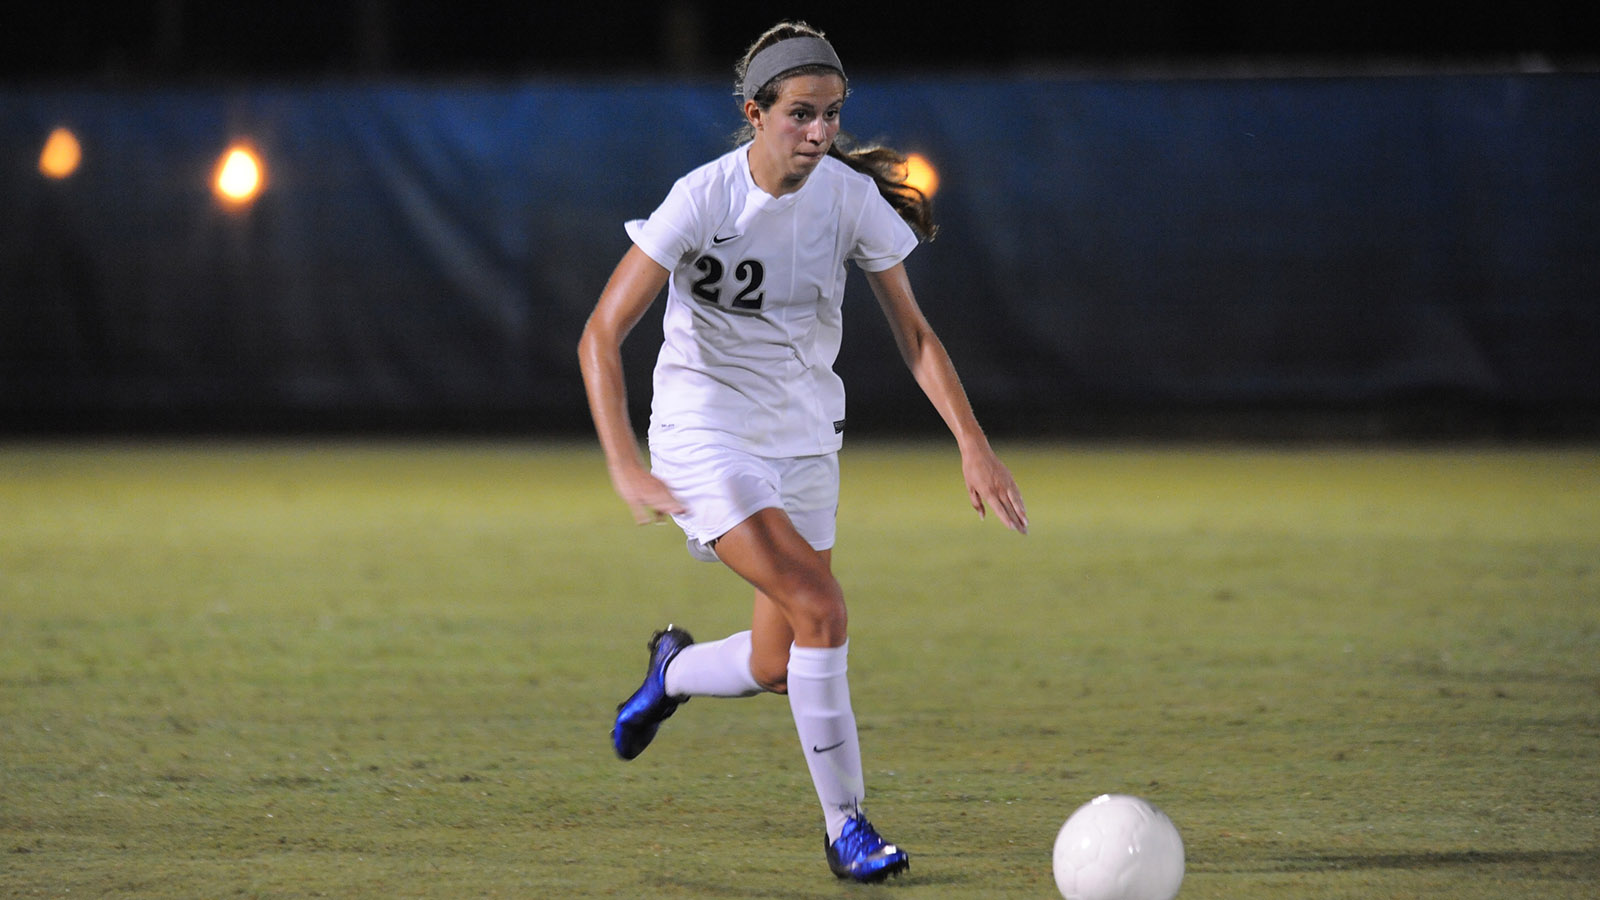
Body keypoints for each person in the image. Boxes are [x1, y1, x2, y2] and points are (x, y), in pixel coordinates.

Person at [576, 20, 1028, 884]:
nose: (820, 134)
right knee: (822, 605)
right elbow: (600, 335)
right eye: (800, 116)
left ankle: (669, 675)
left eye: (830, 116)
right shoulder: (701, 198)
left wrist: (974, 446)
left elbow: (918, 339)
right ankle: (846, 826)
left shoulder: (846, 200)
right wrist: (624, 462)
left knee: (779, 660)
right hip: (704, 433)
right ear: (755, 112)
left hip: (805, 438)